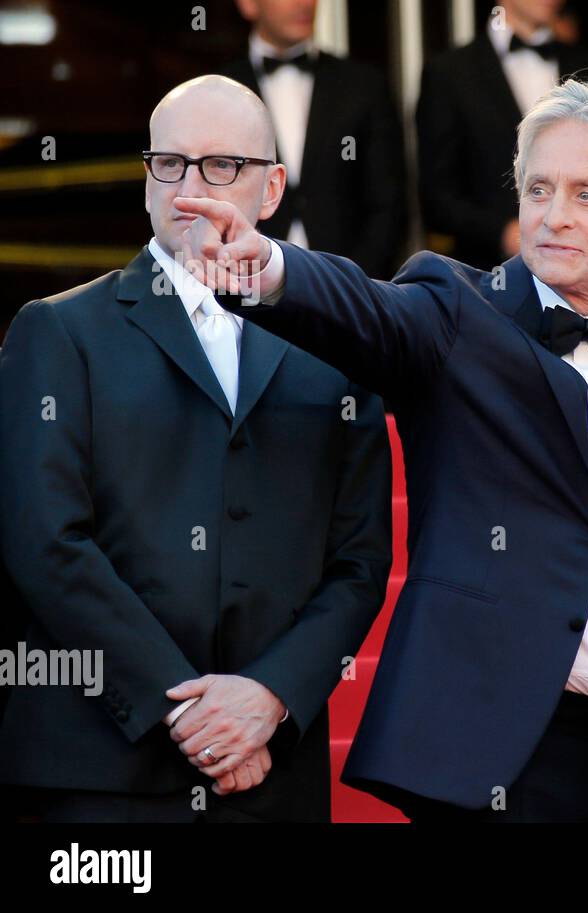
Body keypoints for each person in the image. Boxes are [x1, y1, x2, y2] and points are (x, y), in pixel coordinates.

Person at [177, 77, 588, 823]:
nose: (553, 216)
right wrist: (270, 266)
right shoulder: (457, 312)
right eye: (538, 189)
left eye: (586, 194)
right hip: (492, 752)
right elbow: (367, 309)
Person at [0, 75, 392, 823]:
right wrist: (183, 709)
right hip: (98, 777)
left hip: (272, 773)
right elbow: (46, 543)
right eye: (169, 164)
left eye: (220, 166)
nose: (188, 187)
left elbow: (360, 561)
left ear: (271, 188)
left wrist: (268, 697)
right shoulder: (59, 332)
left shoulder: (339, 347)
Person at [415, 0, 588, 269]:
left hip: (586, 267)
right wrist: (504, 233)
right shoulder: (449, 74)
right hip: (487, 276)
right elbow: (437, 197)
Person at [223, 0, 408, 277]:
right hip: (244, 291)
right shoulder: (220, 93)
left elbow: (390, 205)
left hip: (352, 290)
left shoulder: (364, 86)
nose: (305, 3)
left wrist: (354, 286)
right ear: (248, 5)